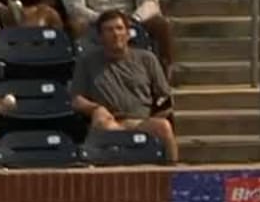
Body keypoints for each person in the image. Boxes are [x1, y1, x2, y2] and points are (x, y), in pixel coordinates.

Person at [70, 9, 179, 162]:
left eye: (119, 28)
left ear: (128, 34)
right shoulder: (87, 62)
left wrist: (151, 117)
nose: (115, 34)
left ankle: (172, 173)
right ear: (100, 36)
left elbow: (165, 99)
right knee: (101, 123)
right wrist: (95, 108)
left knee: (164, 127)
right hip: (110, 121)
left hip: (141, 121)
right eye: (109, 30)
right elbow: (76, 99)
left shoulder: (147, 58)